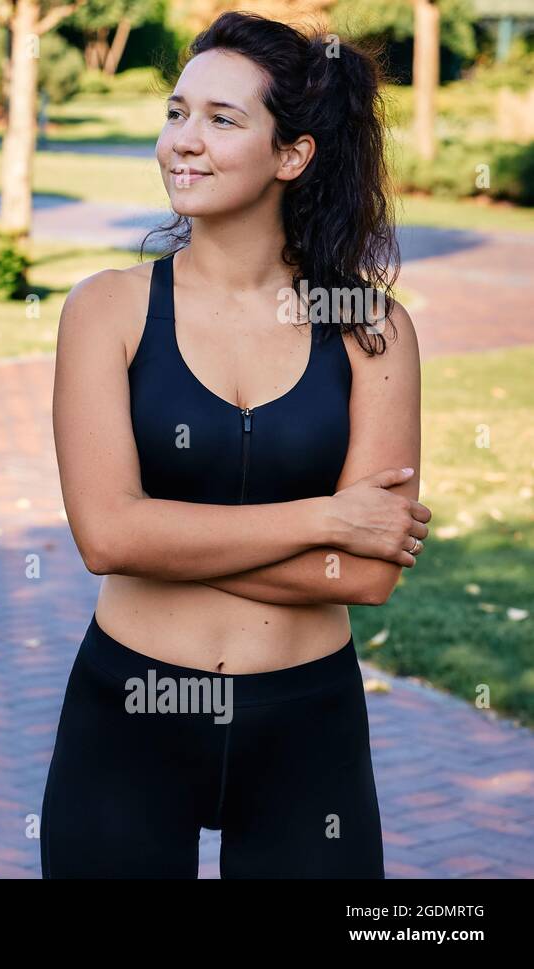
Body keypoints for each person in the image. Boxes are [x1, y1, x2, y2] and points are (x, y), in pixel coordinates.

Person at [40, 12, 433, 878]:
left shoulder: (372, 328)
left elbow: (368, 573)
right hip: (130, 712)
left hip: (308, 727)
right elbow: (105, 536)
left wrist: (160, 541)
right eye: (177, 112)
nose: (183, 141)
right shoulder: (106, 310)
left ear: (292, 155)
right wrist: (329, 516)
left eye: (222, 119)